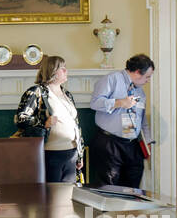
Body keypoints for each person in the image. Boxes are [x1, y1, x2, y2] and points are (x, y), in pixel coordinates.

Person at [15, 54, 83, 184]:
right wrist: (44, 123)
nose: (65, 71)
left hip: (71, 153)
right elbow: (21, 119)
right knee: (51, 198)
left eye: (65, 67)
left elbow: (76, 124)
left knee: (68, 196)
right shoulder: (37, 92)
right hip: (51, 154)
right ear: (52, 71)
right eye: (62, 68)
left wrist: (79, 154)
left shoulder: (66, 93)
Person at [90, 54, 154, 188]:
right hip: (109, 144)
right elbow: (95, 103)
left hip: (132, 145)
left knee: (132, 187)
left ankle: (128, 210)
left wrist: (148, 141)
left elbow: (142, 120)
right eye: (147, 77)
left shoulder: (140, 92)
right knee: (108, 188)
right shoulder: (111, 79)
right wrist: (119, 103)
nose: (148, 80)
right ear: (137, 72)